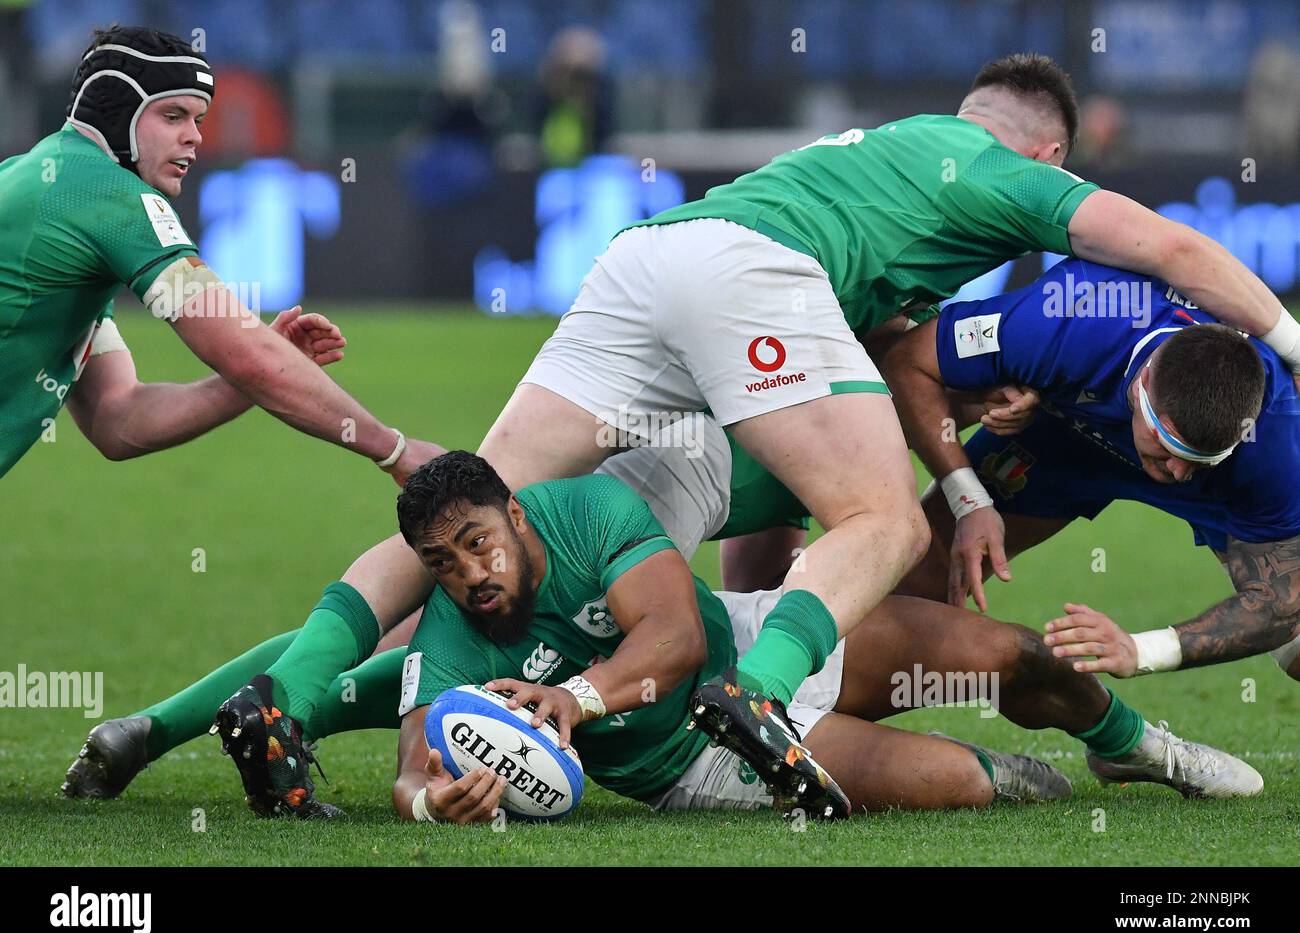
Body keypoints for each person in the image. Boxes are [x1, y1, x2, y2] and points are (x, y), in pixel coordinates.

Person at [257, 52, 1300, 812]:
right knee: (881, 520)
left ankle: (285, 697)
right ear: (1048, 153)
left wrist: (973, 466)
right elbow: (1171, 246)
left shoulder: (889, 157)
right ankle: (752, 696)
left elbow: (894, 337)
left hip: (647, 262)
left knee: (473, 506)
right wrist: (1290, 337)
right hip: (746, 276)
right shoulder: (1009, 177)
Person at [66, 453, 1261, 819]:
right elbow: (416, 757)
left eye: (480, 544)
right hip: (706, 759)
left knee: (1013, 657)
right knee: (968, 784)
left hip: (753, 650)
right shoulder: (450, 627)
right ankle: (1030, 774)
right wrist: (440, 801)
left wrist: (576, 700)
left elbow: (680, 634)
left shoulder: (590, 510)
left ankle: (1137, 743)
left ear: (517, 516)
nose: (472, 575)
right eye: (444, 564)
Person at [0, 26, 438, 481]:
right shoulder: (107, 196)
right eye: (173, 116)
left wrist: (253, 378)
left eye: (198, 120)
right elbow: (246, 355)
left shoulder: (38, 176)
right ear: (116, 113)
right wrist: (396, 451)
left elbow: (117, 418)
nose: (195, 137)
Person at [877, 256, 1300, 684]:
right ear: (1142, 383)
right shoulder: (1068, 317)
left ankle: (1144, 746)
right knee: (920, 574)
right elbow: (908, 363)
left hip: (1218, 488)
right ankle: (821, 718)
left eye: (1199, 457)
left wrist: (1142, 650)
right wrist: (968, 498)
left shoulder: (1273, 431)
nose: (1177, 469)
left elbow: (1281, 602)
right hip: (1066, 433)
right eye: (1166, 442)